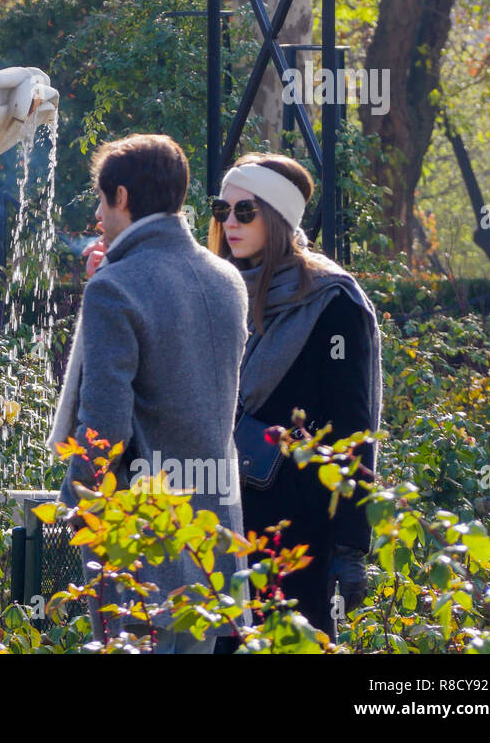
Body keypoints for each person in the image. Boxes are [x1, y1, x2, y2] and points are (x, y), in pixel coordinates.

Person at [48, 134, 249, 653]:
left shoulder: (115, 287)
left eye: (100, 199)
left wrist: (74, 503)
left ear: (121, 197)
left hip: (139, 526)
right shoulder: (227, 279)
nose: (97, 214)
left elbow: (104, 426)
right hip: (213, 519)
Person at [208, 152, 381, 639]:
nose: (231, 223)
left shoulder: (330, 302)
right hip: (217, 523)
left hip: (299, 537)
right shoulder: (217, 291)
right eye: (223, 210)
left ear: (279, 218)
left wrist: (350, 550)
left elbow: (354, 433)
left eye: (247, 211)